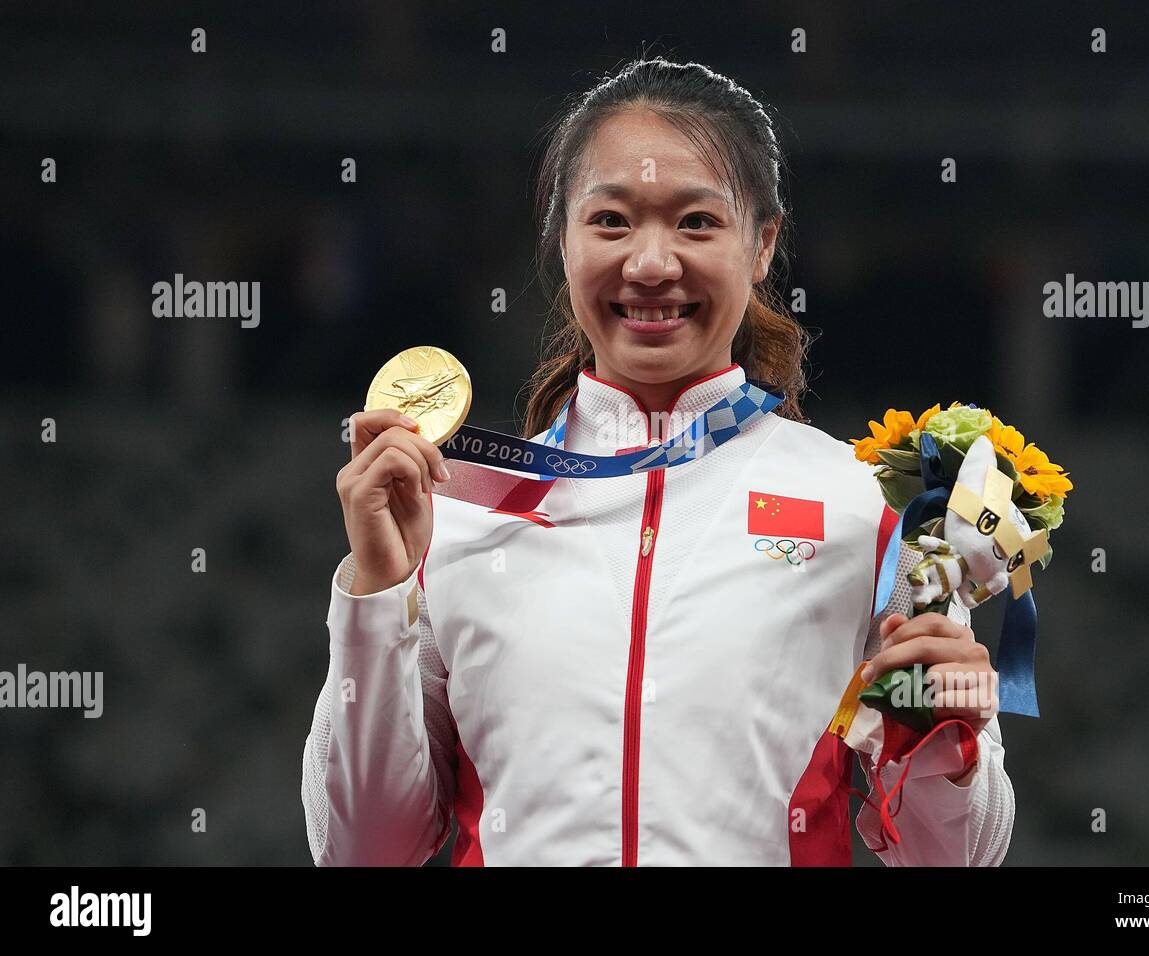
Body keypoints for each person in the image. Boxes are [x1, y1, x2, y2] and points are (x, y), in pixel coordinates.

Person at [301, 56, 1014, 866]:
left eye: (697, 223)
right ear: (562, 241)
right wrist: (375, 599)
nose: (650, 263)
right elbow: (362, 851)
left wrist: (941, 725)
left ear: (762, 244)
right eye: (610, 221)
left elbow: (957, 859)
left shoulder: (866, 512)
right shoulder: (459, 514)